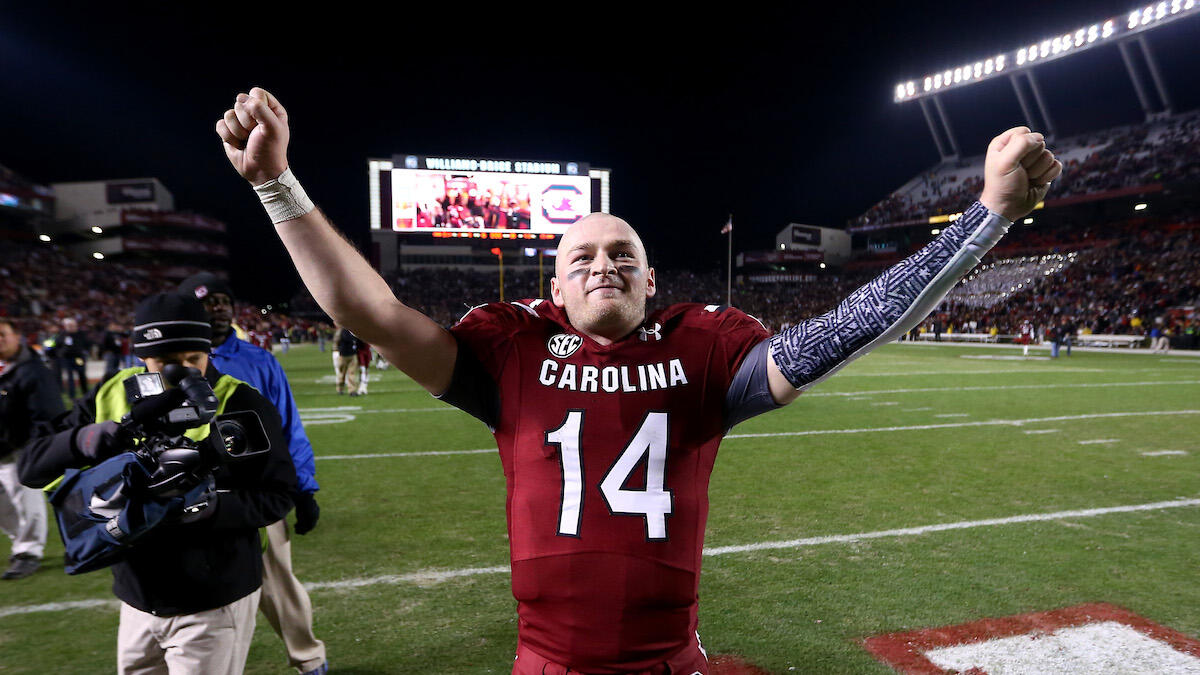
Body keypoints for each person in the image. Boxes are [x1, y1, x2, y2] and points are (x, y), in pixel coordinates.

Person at [217, 87, 1060, 674]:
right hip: (546, 661)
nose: (604, 264)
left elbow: (842, 331)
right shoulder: (510, 353)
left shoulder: (704, 350)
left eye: (625, 254)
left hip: (670, 661)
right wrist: (276, 185)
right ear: (552, 288)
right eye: (580, 255)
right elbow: (371, 312)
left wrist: (983, 218)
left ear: (654, 281)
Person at [19, 293, 297, 675]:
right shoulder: (112, 392)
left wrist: (203, 507)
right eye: (167, 362)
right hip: (137, 596)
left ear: (209, 352)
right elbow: (31, 467)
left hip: (213, 597)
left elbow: (277, 496)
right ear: (142, 358)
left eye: (193, 360)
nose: (184, 372)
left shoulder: (240, 401)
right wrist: (101, 436)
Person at [176, 272, 328, 675]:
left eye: (224, 300)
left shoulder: (259, 360)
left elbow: (288, 427)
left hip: (255, 493)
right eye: (209, 302)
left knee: (278, 584)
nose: (219, 308)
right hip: (184, 495)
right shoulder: (161, 365)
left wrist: (304, 489)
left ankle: (308, 657)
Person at [0, 318, 64, 580]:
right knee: (4, 506)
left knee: (25, 500)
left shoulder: (32, 370)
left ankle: (28, 551)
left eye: (2, 335)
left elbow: (49, 414)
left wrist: (35, 449)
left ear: (17, 336)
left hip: (21, 448)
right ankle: (21, 541)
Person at [49, 317, 90, 398]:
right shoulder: (62, 335)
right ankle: (72, 395)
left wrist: (83, 351)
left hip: (79, 358)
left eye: (73, 325)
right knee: (70, 377)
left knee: (81, 374)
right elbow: (57, 346)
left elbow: (87, 344)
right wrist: (61, 353)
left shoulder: (81, 334)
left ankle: (85, 392)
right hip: (67, 359)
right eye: (69, 326)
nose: (71, 327)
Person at [332, 323, 359, 395]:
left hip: (352, 355)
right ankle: (340, 389)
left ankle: (352, 390)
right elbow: (346, 339)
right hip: (344, 355)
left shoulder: (349, 330)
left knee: (352, 373)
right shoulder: (343, 331)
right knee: (342, 374)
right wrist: (354, 337)